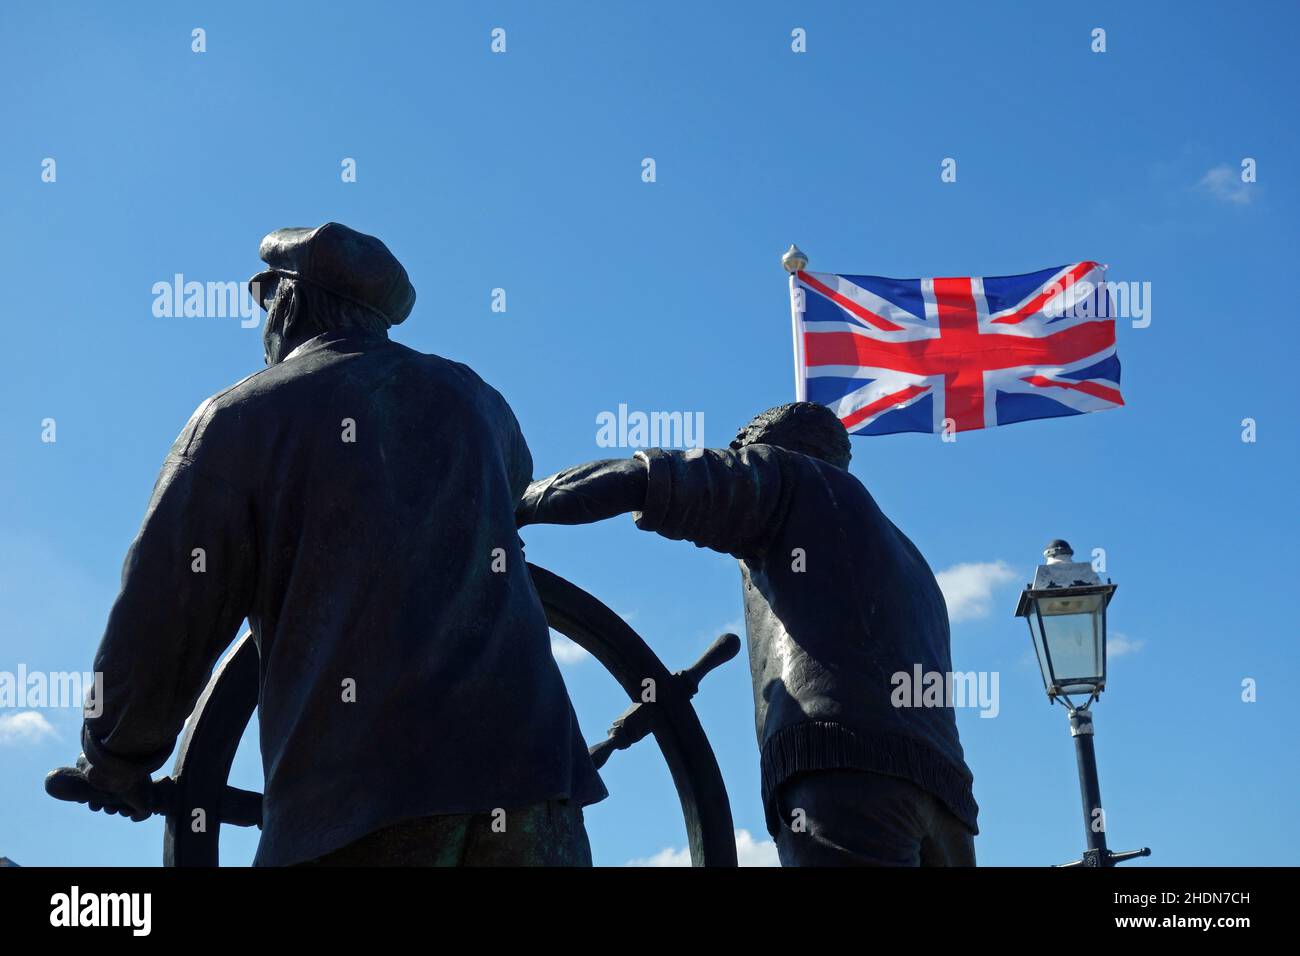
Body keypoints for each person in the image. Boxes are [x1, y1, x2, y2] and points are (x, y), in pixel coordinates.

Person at [47, 222, 605, 866]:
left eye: (263, 297)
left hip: (358, 800)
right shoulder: (478, 403)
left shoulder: (237, 420)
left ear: (288, 299)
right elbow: (508, 508)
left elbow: (164, 613)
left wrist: (114, 756)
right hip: (534, 787)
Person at [517, 401, 978, 866]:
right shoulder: (912, 560)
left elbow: (637, 480)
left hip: (843, 768)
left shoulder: (782, 475)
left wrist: (508, 506)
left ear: (758, 447)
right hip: (947, 801)